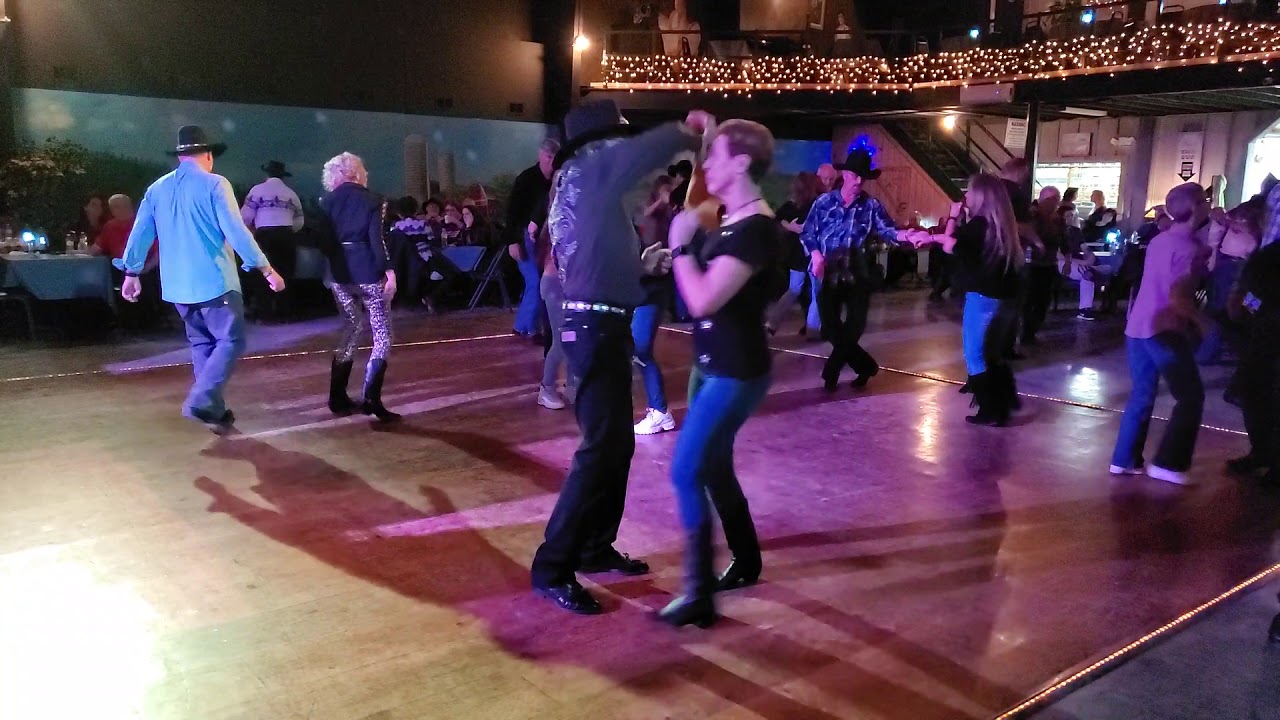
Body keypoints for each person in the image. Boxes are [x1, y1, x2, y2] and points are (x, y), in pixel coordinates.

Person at [530, 99, 708, 615]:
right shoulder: (591, 168)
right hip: (593, 325)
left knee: (613, 446)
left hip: (597, 321)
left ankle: (593, 546)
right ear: (601, 140)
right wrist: (690, 130)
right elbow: (647, 149)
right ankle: (553, 566)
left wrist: (647, 260)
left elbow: (600, 260)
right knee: (599, 448)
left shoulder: (581, 186)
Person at [657, 119, 779, 628]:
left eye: (716, 156)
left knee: (686, 470)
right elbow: (702, 281)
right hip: (713, 365)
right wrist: (671, 257)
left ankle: (698, 592)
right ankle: (746, 560)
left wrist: (682, 247)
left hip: (735, 369)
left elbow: (705, 298)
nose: (706, 166)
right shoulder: (730, 219)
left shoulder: (756, 228)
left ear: (743, 163)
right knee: (713, 466)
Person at [116, 125, 283, 434]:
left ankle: (214, 411)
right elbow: (235, 230)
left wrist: (131, 273)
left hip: (178, 286)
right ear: (207, 156)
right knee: (231, 339)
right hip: (214, 281)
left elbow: (140, 233)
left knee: (201, 342)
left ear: (181, 156)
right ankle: (202, 398)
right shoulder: (215, 184)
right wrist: (266, 269)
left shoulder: (156, 189)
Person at [1110, 183, 1210, 485]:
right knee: (1191, 396)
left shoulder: (1159, 241)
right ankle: (1170, 463)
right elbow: (1179, 296)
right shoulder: (1190, 249)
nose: (1207, 205)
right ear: (1194, 208)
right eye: (1204, 201)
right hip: (1164, 330)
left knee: (1141, 394)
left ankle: (1124, 459)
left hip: (1137, 326)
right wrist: (1205, 322)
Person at [912, 174, 1025, 426]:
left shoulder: (979, 226)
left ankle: (990, 409)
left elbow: (950, 244)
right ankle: (1003, 404)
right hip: (1004, 299)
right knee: (992, 353)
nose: (966, 197)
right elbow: (954, 243)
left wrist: (945, 223)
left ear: (982, 196)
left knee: (975, 355)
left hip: (983, 297)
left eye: (970, 192)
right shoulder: (1002, 226)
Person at [800, 148, 917, 392]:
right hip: (828, 270)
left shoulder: (871, 205)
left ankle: (831, 371)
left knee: (854, 326)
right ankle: (866, 366)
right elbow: (808, 232)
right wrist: (815, 253)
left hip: (858, 270)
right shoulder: (824, 202)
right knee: (830, 326)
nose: (859, 181)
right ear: (845, 174)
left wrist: (906, 234)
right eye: (855, 175)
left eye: (864, 177)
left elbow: (888, 230)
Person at [316, 152, 400, 423]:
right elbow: (378, 240)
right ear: (356, 172)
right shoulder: (373, 200)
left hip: (339, 274)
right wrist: (389, 270)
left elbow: (324, 243)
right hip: (367, 272)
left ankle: (337, 397)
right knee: (382, 333)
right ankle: (371, 398)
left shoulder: (325, 202)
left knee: (351, 328)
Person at [1226, 230, 1280, 485]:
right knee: (1255, 389)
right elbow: (1255, 273)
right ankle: (1262, 452)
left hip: (1269, 319)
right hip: (1266, 323)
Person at [633, 175, 678, 435]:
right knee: (637, 351)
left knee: (641, 350)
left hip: (652, 292)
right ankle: (658, 409)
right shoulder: (644, 215)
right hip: (641, 291)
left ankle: (660, 411)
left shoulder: (668, 219)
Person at [506, 137, 559, 339]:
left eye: (555, 157)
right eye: (548, 156)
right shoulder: (526, 179)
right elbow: (511, 213)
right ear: (540, 155)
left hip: (545, 239)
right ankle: (527, 327)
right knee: (536, 281)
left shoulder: (556, 180)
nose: (552, 161)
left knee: (543, 282)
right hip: (525, 238)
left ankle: (529, 326)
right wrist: (512, 241)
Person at [241, 160, 304, 319]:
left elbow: (245, 216)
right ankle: (285, 314)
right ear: (283, 176)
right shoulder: (291, 194)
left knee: (263, 273)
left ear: (266, 174)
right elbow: (300, 221)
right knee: (286, 273)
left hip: (265, 236)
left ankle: (265, 313)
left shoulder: (257, 191)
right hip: (286, 236)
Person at [765, 172, 819, 336]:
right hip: (813, 253)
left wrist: (788, 226)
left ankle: (772, 323)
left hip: (796, 254)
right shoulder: (815, 204)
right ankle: (813, 331)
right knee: (816, 292)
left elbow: (775, 219)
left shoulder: (791, 204)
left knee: (794, 290)